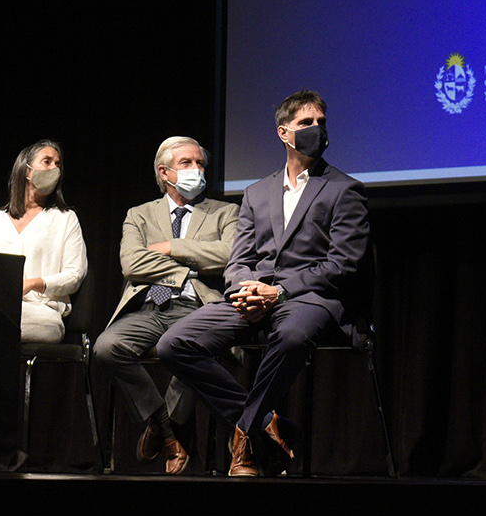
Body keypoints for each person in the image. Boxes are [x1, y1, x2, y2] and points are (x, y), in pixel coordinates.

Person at [158, 91, 369, 476]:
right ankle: (270, 423)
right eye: (307, 123)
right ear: (284, 133)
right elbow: (239, 260)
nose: (317, 130)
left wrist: (280, 290)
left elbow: (343, 264)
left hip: (309, 298)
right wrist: (245, 289)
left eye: (321, 123)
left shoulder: (344, 189)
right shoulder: (257, 192)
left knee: (290, 337)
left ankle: (244, 434)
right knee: (174, 343)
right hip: (255, 297)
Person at [93, 136, 238, 474]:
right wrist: (193, 262)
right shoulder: (139, 215)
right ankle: (165, 426)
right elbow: (131, 265)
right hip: (148, 306)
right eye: (187, 163)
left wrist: (171, 248)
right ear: (165, 172)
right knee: (106, 347)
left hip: (196, 308)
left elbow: (229, 255)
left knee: (189, 350)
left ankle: (164, 429)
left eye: (200, 163)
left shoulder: (224, 213)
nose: (197, 169)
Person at [0, 141, 88, 343]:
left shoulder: (65, 219)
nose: (54, 169)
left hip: (40, 312)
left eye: (58, 164)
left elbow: (74, 275)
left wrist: (34, 284)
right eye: (47, 161)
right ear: (26, 169)